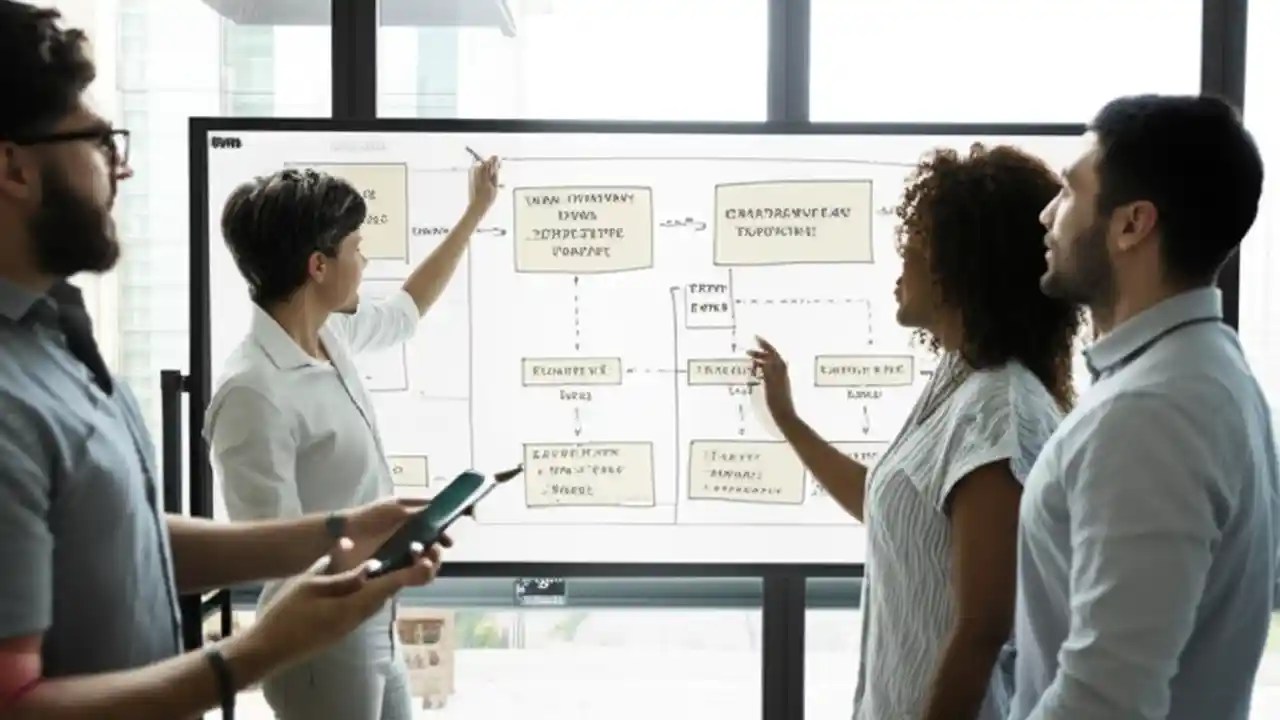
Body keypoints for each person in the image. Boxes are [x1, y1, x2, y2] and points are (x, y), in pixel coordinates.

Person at [0, 2, 446, 718]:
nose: (124, 166)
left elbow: (132, 535)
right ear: (13, 167)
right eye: (98, 141)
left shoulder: (61, 342)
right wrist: (253, 654)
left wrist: (343, 529)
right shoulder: (17, 394)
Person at [751, 144, 1082, 720]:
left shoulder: (1000, 408)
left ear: (961, 269)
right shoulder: (959, 379)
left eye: (913, 248)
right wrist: (789, 420)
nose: (899, 266)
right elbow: (889, 502)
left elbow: (982, 628)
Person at [1012, 94, 1278, 720]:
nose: (1048, 216)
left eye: (1070, 193)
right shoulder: (1202, 368)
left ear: (1133, 224)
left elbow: (1105, 701)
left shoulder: (1151, 412)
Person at [203, 156, 498, 719]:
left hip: (371, 618)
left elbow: (406, 313)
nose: (364, 262)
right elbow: (276, 553)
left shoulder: (328, 334)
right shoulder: (252, 392)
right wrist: (379, 543)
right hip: (319, 641)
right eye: (357, 248)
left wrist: (474, 213)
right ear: (318, 265)